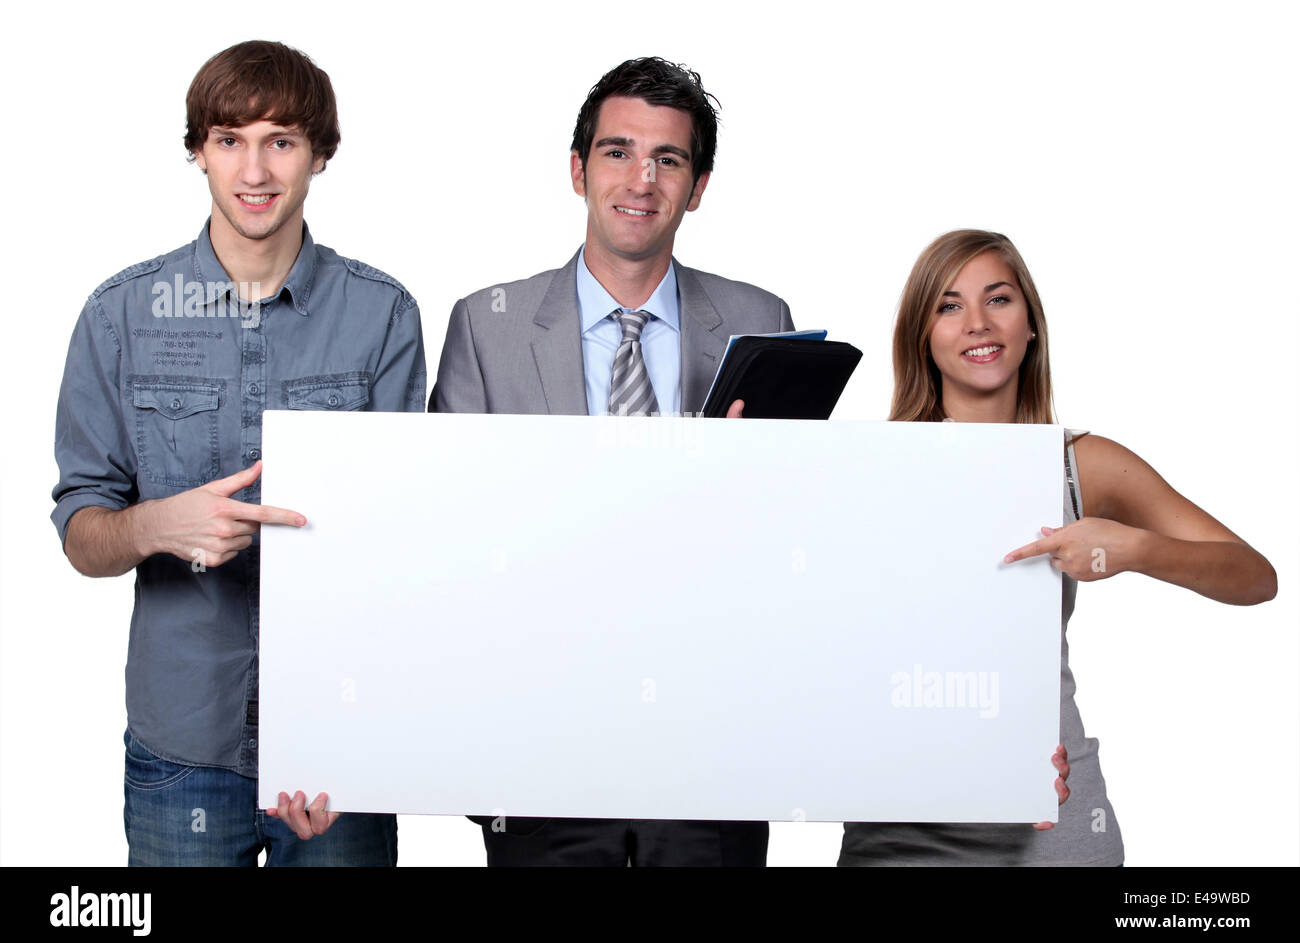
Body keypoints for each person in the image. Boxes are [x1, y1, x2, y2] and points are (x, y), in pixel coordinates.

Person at [50, 40, 427, 866]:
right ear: (197, 151)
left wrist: (362, 740)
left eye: (281, 141)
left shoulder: (384, 315)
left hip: (332, 754)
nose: (255, 171)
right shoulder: (120, 315)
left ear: (320, 154)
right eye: (229, 139)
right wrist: (156, 526)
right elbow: (81, 531)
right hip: (181, 748)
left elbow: (405, 544)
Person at [430, 57, 791, 866]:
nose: (641, 179)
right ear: (577, 169)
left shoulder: (759, 320)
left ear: (697, 185)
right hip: (537, 744)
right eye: (618, 152)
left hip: (710, 750)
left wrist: (742, 491)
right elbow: (447, 534)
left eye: (669, 159)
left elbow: (790, 549)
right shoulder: (487, 328)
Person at [839, 229, 1277, 866]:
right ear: (921, 336)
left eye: (999, 299)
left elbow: (1254, 576)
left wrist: (1133, 548)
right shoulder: (864, 470)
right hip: (903, 823)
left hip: (1055, 820)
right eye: (949, 306)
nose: (979, 324)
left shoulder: (1081, 466)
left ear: (1031, 325)